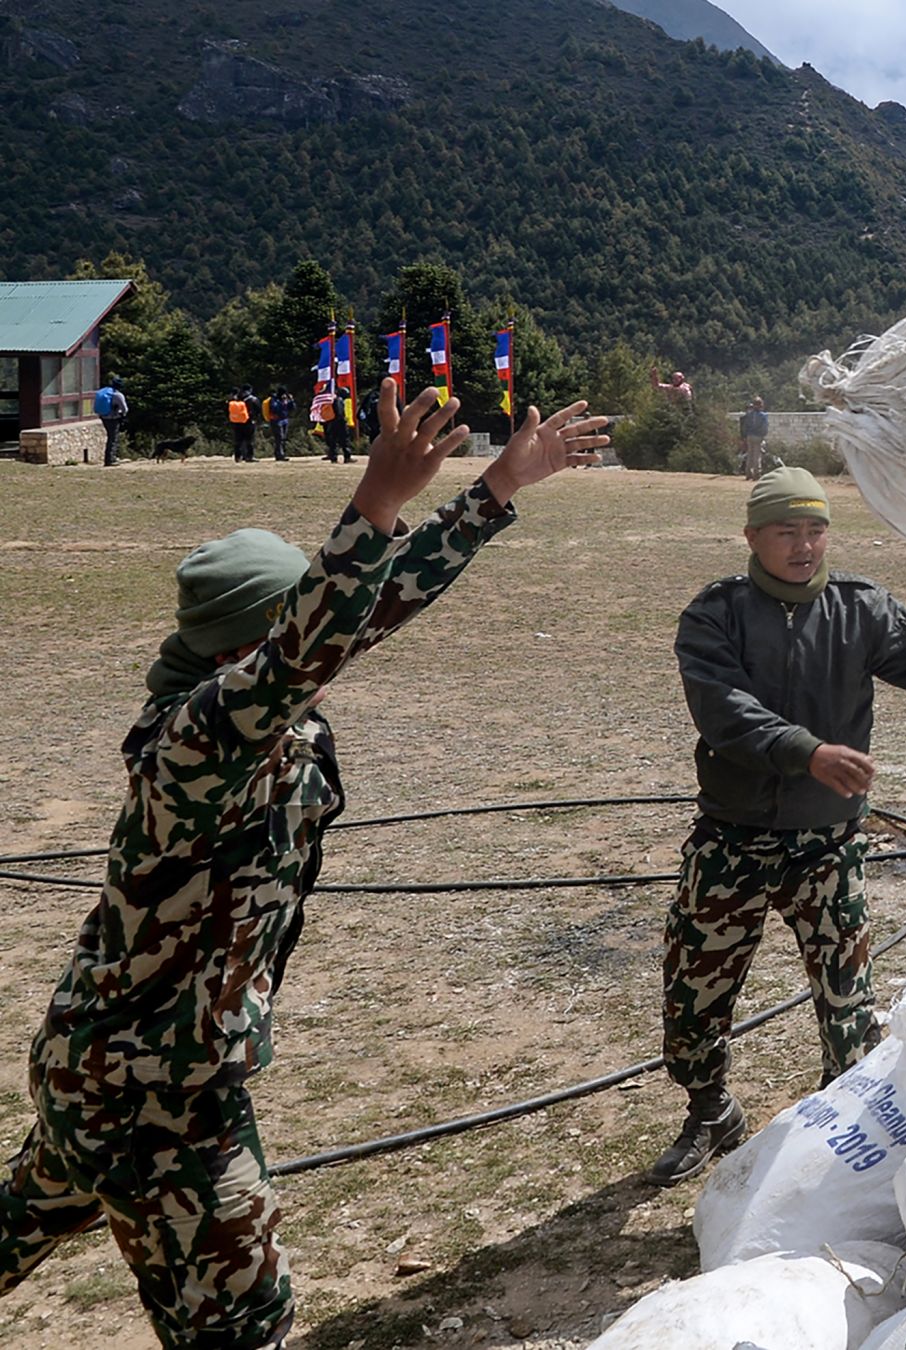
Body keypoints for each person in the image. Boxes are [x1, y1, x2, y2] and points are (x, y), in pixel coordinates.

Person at [0, 379, 609, 1347]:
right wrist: (373, 502)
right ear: (251, 639)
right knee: (245, 1321)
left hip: (105, 1067)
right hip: (158, 1096)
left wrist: (497, 485)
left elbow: (364, 607)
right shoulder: (200, 737)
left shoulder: (247, 698)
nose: (339, 636)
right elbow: (312, 640)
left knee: (26, 1218)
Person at [656, 467, 906, 1185]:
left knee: (847, 1001)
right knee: (696, 988)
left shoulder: (861, 608)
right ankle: (708, 1111)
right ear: (752, 537)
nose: (803, 545)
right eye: (786, 531)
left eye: (815, 529)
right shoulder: (716, 615)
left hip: (828, 843)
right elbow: (722, 710)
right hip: (731, 838)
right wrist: (808, 752)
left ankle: (846, 1126)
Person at [95, 375, 128, 466]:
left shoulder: (105, 392)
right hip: (113, 418)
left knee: (110, 437)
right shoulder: (118, 395)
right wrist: (121, 414)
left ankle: (110, 458)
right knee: (113, 438)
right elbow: (125, 409)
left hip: (104, 417)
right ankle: (110, 459)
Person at [738, 396, 769, 481]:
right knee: (757, 455)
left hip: (749, 436)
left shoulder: (749, 415)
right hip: (758, 436)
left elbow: (745, 426)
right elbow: (764, 427)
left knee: (750, 454)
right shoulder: (763, 416)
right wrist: (763, 434)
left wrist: (745, 435)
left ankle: (748, 473)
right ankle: (756, 473)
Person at [324, 387, 355, 464]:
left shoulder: (332, 400)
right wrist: (343, 420)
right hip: (340, 423)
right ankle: (347, 457)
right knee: (344, 441)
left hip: (331, 423)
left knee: (333, 441)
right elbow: (340, 412)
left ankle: (333, 457)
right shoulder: (339, 400)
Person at [228, 386, 258, 462]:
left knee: (238, 441)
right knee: (249, 440)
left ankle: (238, 457)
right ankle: (249, 456)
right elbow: (258, 410)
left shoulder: (234, 401)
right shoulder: (252, 399)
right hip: (248, 422)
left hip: (237, 422)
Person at [269, 386, 295, 461]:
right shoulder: (274, 400)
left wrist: (291, 400)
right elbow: (274, 409)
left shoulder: (286, 400)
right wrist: (282, 403)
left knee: (283, 438)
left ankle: (282, 453)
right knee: (279, 437)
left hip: (285, 420)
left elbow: (292, 408)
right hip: (276, 421)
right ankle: (279, 455)